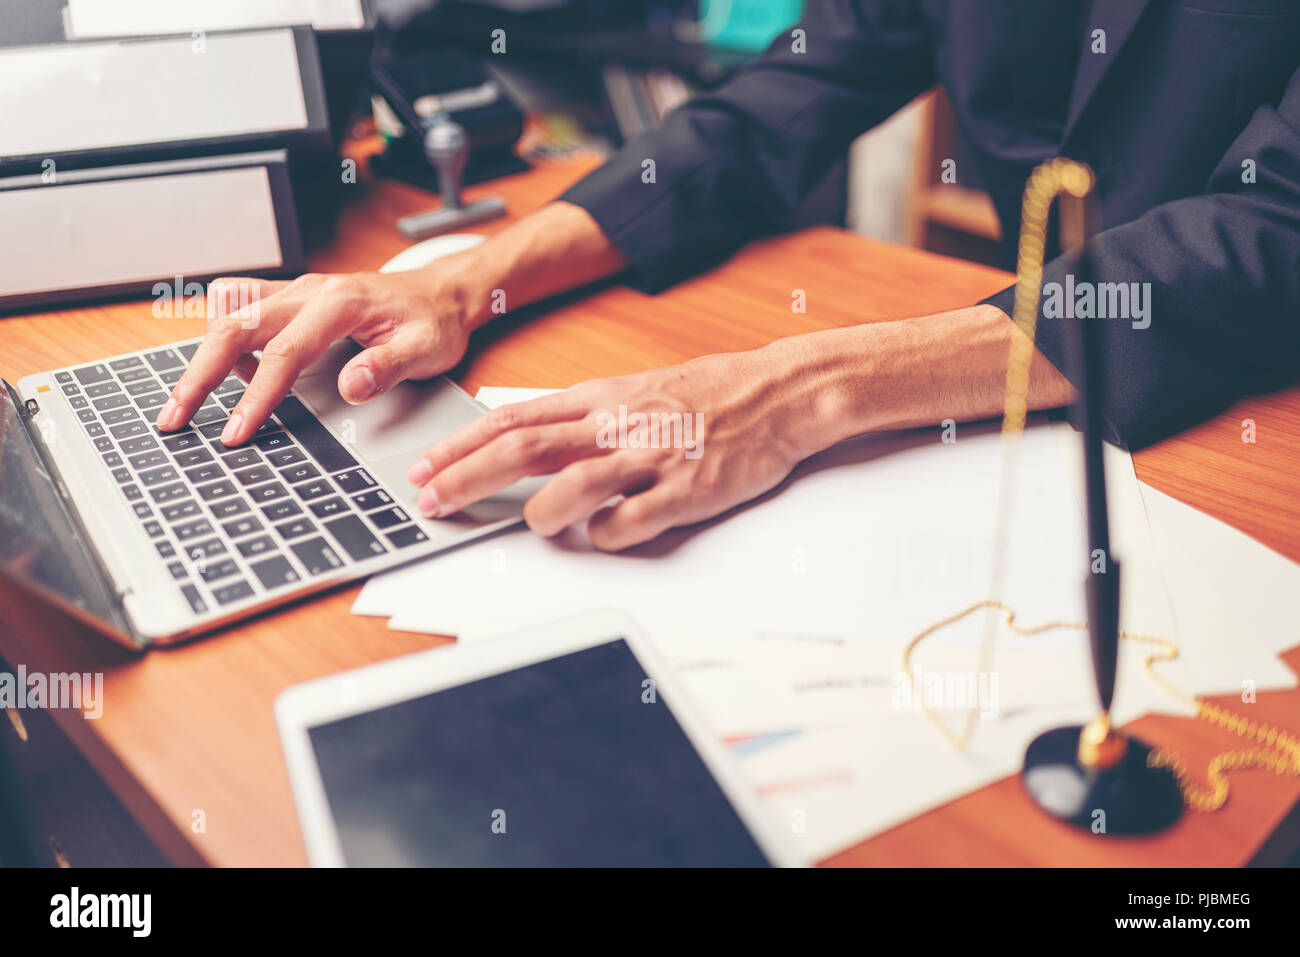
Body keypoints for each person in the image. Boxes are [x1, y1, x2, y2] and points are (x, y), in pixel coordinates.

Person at [156, 0, 1300, 551]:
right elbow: (773, 106)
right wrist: (470, 281)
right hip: (1047, 396)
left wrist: (800, 387)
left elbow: (1275, 227)